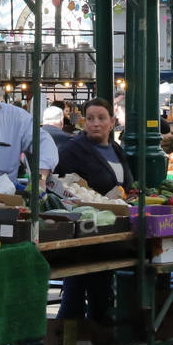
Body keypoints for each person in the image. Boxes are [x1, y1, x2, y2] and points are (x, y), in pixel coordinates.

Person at [55, 99, 133, 319]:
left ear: (112, 122)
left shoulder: (116, 149)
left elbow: (125, 182)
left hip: (111, 231)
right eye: (90, 119)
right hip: (84, 232)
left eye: (101, 118)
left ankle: (96, 340)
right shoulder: (73, 150)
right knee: (75, 291)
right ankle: (68, 344)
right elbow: (62, 187)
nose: (95, 123)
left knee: (102, 289)